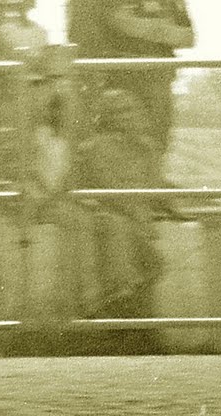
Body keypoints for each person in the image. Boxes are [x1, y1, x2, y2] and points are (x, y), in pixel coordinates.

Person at [70, 86, 164, 317]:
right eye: (120, 111)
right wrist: (137, 213)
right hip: (107, 214)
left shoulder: (147, 147)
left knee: (151, 265)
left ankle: (129, 312)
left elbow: (154, 187)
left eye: (130, 109)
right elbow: (109, 190)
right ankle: (117, 308)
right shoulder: (95, 148)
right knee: (145, 262)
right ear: (107, 117)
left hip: (137, 215)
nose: (128, 116)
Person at [85, 0, 194, 163]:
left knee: (157, 144)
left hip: (159, 80)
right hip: (121, 80)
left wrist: (143, 27)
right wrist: (163, 29)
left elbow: (188, 37)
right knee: (119, 144)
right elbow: (118, 22)